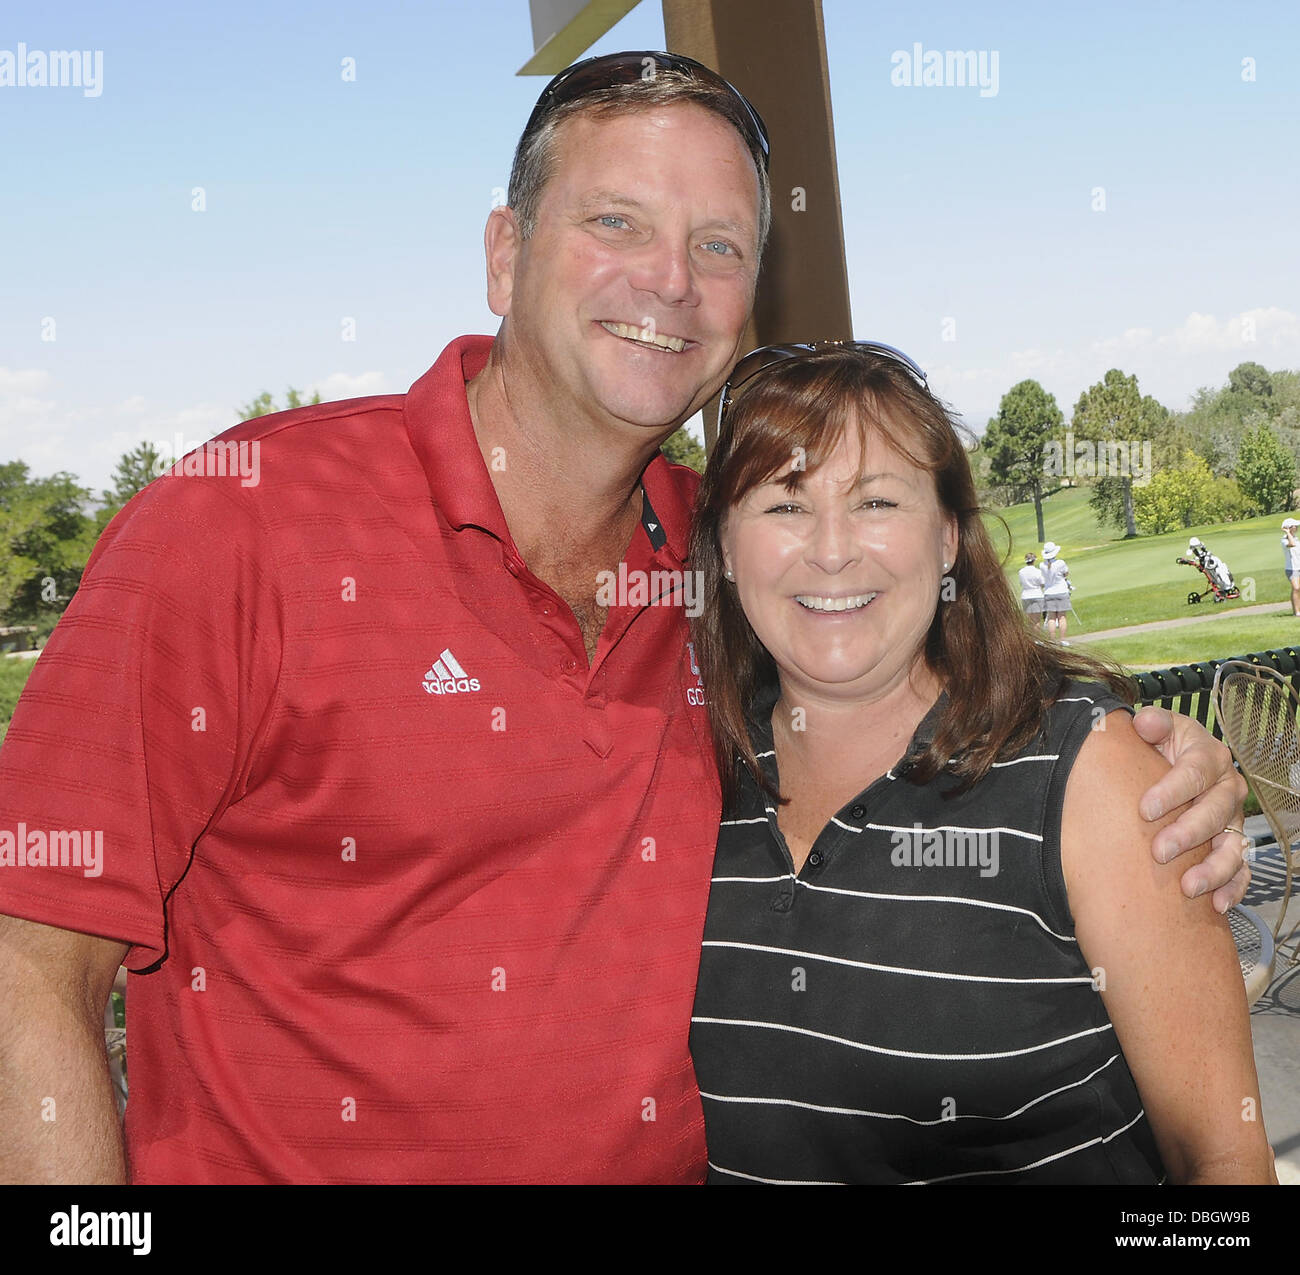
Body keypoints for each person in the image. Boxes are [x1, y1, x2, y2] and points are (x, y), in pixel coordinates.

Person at [0, 53, 1249, 1186]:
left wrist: (1146, 766)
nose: (669, 279)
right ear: (505, 252)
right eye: (616, 223)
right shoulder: (244, 523)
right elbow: (29, 971)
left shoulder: (730, 561)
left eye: (719, 246)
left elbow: (924, 656)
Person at [687, 343, 1274, 1184]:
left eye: (876, 499)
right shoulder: (685, 777)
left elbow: (1222, 1165)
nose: (830, 549)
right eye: (784, 505)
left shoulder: (1090, 779)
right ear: (726, 547)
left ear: (950, 534)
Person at [1040, 540, 1071, 643]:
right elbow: (1066, 573)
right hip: (1061, 591)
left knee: (1051, 618)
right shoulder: (1060, 563)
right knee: (1062, 617)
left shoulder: (1042, 565)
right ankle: (1062, 639)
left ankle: (1052, 640)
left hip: (1049, 592)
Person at [1017, 551, 1044, 622]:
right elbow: (1042, 583)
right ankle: (1036, 633)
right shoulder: (1038, 571)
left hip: (1026, 595)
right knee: (1037, 620)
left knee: (1029, 621)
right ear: (1034, 560)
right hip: (1037, 594)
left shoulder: (1021, 572)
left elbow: (1021, 583)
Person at [1282, 521, 1300, 616]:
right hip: (1292, 569)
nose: (1297, 527)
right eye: (1294, 526)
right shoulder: (1284, 540)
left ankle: (1297, 610)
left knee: (1297, 589)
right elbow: (1292, 544)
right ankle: (1296, 612)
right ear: (1289, 527)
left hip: (1299, 567)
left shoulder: (1296, 539)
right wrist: (1287, 533)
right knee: (1296, 588)